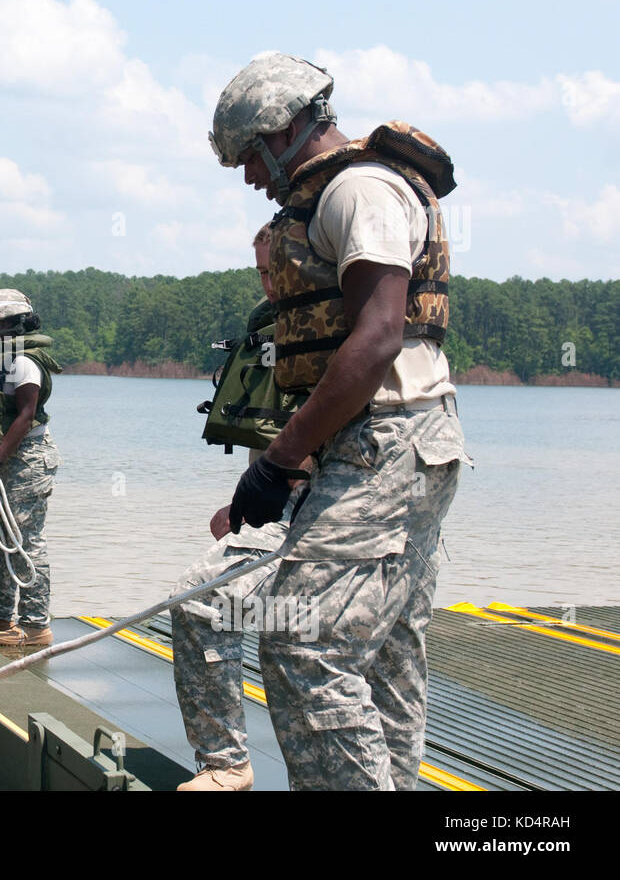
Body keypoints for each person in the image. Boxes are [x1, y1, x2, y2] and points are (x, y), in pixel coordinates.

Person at [202, 52, 470, 790]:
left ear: (287, 127)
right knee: (383, 648)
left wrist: (279, 459)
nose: (252, 177)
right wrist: (301, 463)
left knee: (304, 644)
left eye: (252, 156)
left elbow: (378, 337)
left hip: (389, 438)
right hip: (392, 443)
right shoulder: (338, 193)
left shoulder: (358, 191)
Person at [171, 224, 291, 791]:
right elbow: (277, 448)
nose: (269, 285)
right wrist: (245, 500)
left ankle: (226, 764)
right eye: (262, 272)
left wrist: (268, 498)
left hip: (330, 517)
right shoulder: (274, 332)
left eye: (278, 271)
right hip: (282, 507)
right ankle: (227, 763)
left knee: (201, 599)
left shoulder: (327, 334)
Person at [0, 289, 62, 647]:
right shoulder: (3, 358)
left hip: (28, 459)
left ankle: (35, 624)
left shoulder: (24, 362)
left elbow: (25, 416)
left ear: (9, 322)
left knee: (24, 541)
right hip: (9, 457)